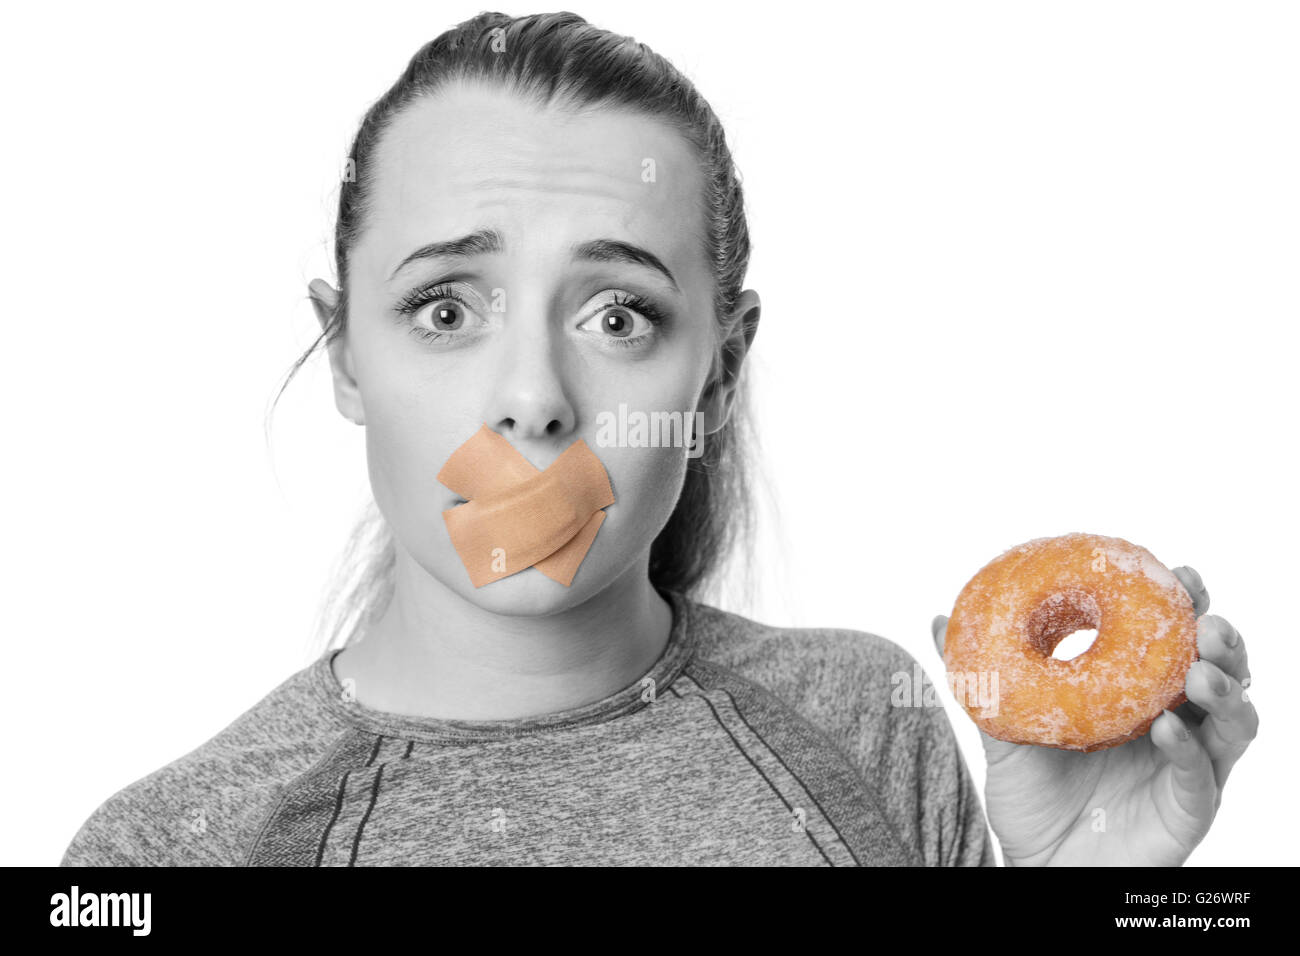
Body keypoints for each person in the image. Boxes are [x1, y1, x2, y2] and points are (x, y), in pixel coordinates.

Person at [59, 11, 1254, 867]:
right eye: (444, 309)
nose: (531, 399)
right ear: (346, 358)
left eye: (617, 315)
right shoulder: (164, 852)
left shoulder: (863, 717)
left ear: (717, 373)